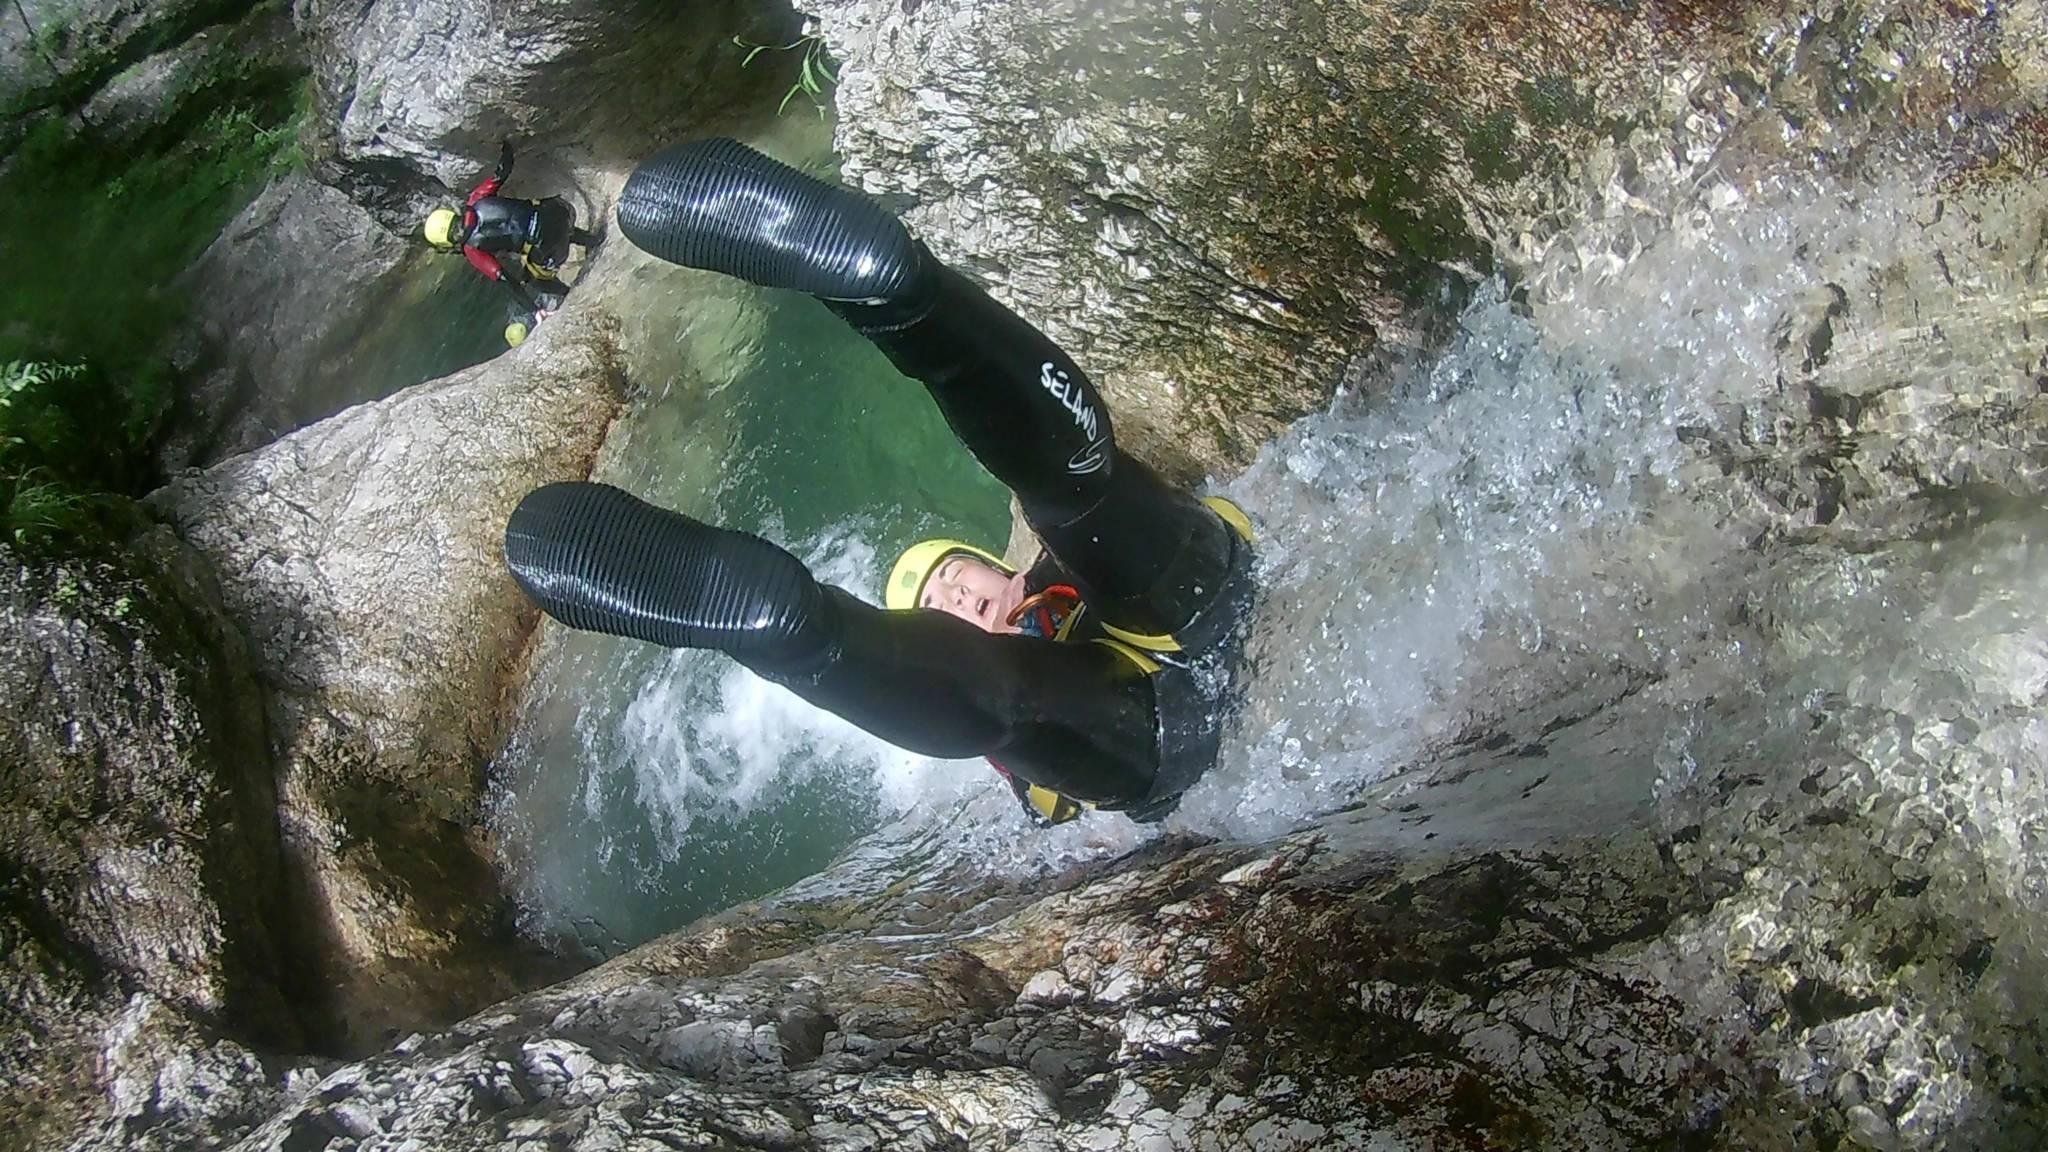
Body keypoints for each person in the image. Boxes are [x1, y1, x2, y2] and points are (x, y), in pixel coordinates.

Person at [503, 138, 1256, 824]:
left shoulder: (1055, 567)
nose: (958, 595)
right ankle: (793, 628)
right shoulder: (1006, 722)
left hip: (1188, 602)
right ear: (940, 638)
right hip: (1145, 726)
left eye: (953, 576)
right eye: (942, 605)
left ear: (1002, 565)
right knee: (1014, 704)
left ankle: (902, 295)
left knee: (1080, 492)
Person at [422, 142, 598, 345]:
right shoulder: (476, 199)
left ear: (446, 243)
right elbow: (502, 170)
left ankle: (571, 294)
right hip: (559, 210)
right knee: (547, 227)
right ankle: (593, 240)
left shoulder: (472, 250)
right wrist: (507, 146)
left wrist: (534, 310)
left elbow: (506, 280)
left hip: (551, 247)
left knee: (534, 278)